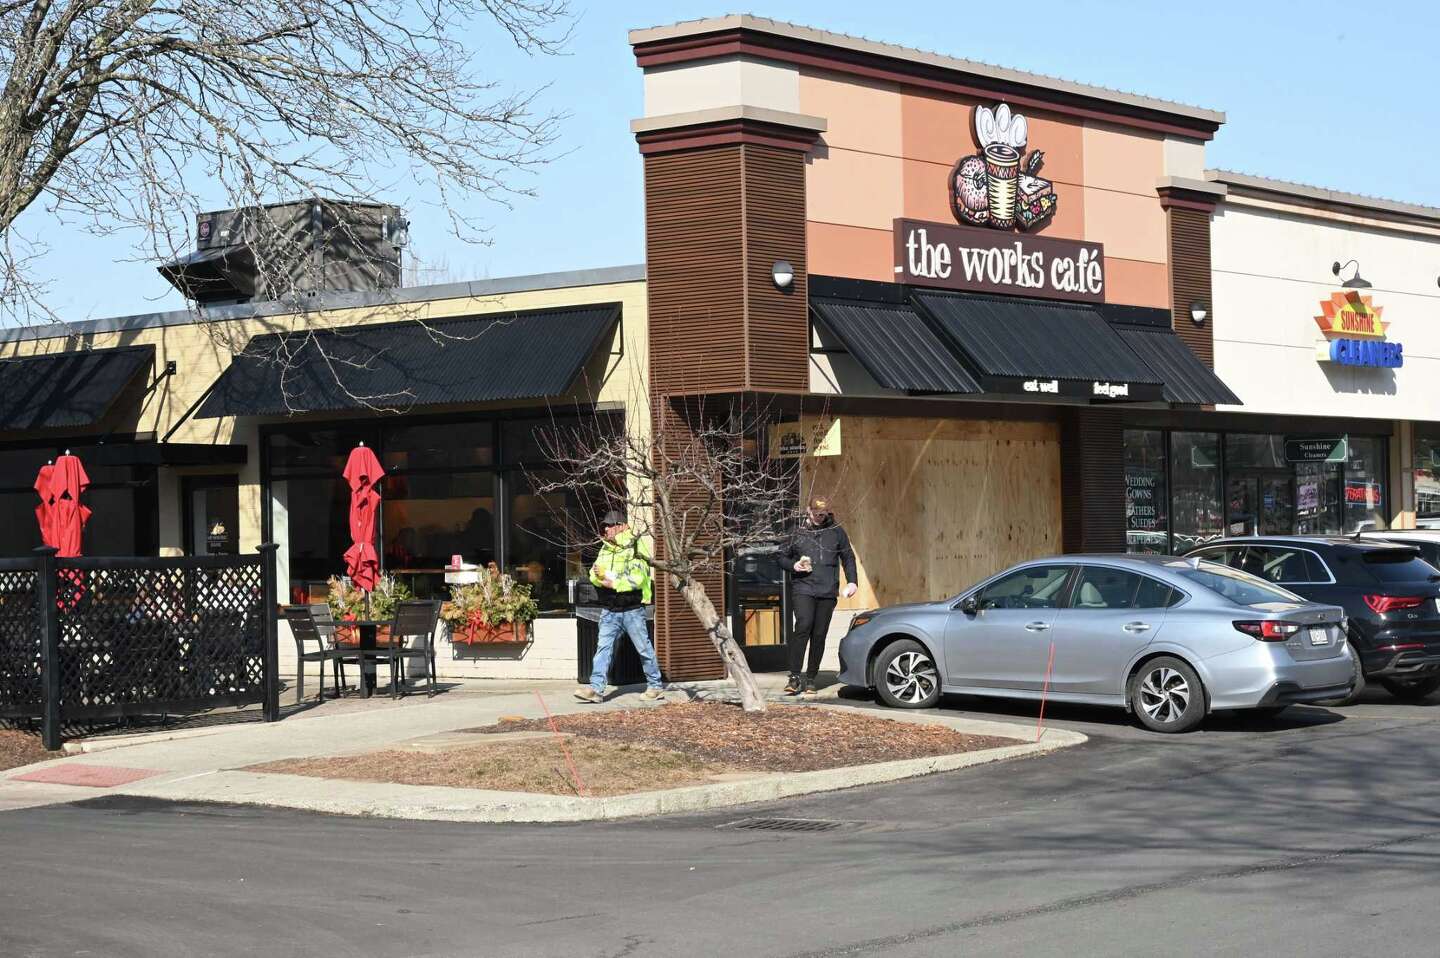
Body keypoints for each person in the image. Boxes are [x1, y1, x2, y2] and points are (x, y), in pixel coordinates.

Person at [574, 511, 665, 703]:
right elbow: (593, 573)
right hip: (609, 608)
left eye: (610, 525)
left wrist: (612, 582)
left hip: (632, 608)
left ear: (623, 526)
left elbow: (638, 578)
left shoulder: (635, 546)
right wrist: (600, 579)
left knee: (643, 648)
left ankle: (655, 686)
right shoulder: (606, 548)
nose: (606, 528)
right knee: (603, 649)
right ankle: (595, 690)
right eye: (605, 525)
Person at [783, 495, 858, 698]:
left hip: (827, 590)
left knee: (819, 634)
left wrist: (852, 581)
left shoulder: (836, 532)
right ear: (809, 510)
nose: (819, 516)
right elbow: (781, 556)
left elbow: (848, 557)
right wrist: (793, 565)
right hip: (803, 588)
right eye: (816, 513)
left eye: (823, 513)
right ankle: (795, 675)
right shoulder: (797, 532)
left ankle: (811, 677)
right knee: (804, 625)